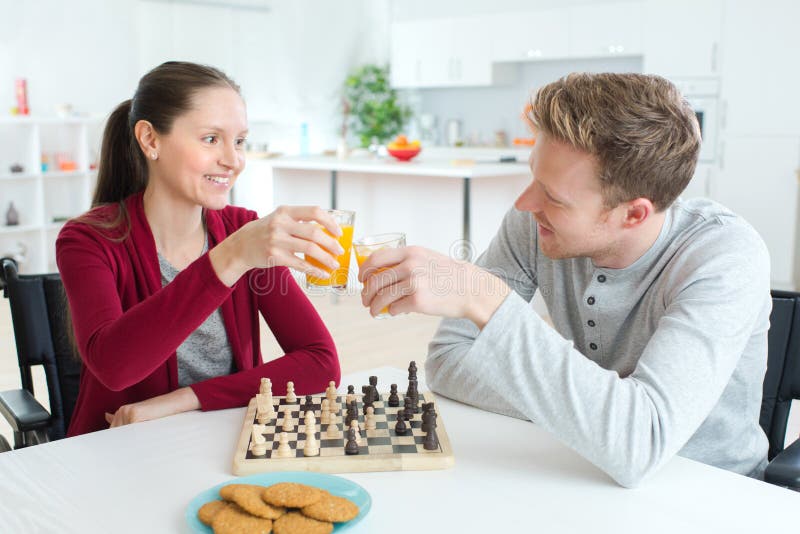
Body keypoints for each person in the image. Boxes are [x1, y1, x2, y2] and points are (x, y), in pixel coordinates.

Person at [358, 73, 771, 487]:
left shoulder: (724, 257)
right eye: (534, 177)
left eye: (553, 197)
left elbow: (639, 443)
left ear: (634, 214)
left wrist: (485, 300)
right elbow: (447, 362)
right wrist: (596, 414)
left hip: (712, 491)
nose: (524, 203)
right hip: (580, 467)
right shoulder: (534, 224)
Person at [57, 61, 343, 436]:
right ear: (150, 140)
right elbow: (114, 366)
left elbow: (321, 364)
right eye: (211, 139)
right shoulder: (87, 240)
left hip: (227, 442)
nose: (233, 160)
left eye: (239, 141)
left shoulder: (244, 231)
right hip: (123, 451)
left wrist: (184, 399)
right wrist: (230, 257)